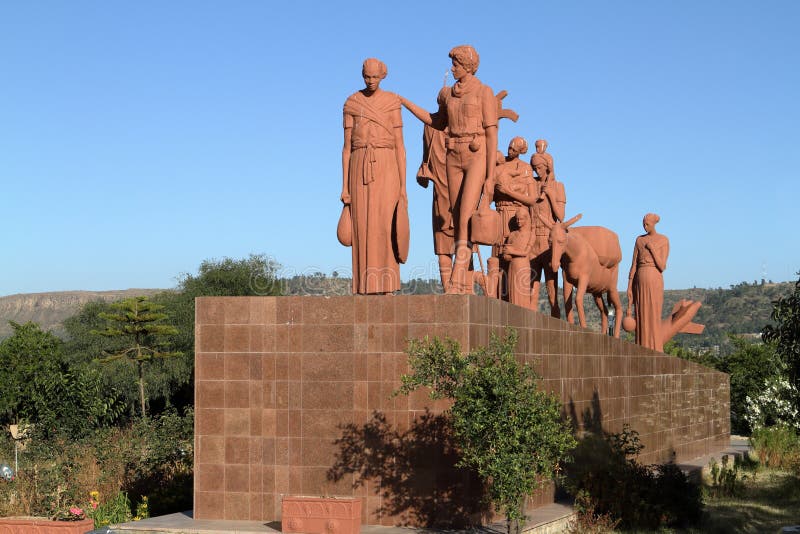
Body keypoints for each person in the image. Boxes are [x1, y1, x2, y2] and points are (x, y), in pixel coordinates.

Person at [400, 45, 498, 293]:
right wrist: (405, 103)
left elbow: (492, 132)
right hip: (453, 155)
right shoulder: (448, 95)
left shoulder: (484, 92)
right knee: (456, 215)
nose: (452, 68)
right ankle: (460, 279)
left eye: (456, 64)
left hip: (476, 155)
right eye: (453, 63)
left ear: (467, 65)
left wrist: (491, 175)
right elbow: (436, 121)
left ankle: (457, 273)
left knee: (466, 213)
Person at [340, 58, 407, 294]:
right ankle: (362, 287)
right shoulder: (352, 102)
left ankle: (388, 285)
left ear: (383, 76)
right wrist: (345, 186)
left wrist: (403, 187)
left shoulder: (391, 103)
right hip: (359, 165)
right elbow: (347, 148)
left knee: (385, 222)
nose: (370, 81)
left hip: (387, 164)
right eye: (367, 77)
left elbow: (400, 145)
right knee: (362, 224)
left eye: (375, 77)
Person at [483, 137, 536, 302]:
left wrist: (508, 191)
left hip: (516, 215)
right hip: (499, 214)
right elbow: (488, 193)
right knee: (497, 257)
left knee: (512, 256)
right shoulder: (498, 165)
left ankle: (513, 300)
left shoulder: (526, 168)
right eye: (509, 148)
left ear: (520, 151)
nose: (510, 151)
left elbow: (532, 199)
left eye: (514, 149)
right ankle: (496, 297)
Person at [416, 90, 453, 289]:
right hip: (442, 188)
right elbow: (426, 156)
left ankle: (458, 286)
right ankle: (450, 287)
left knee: (460, 240)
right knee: (444, 243)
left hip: (457, 189)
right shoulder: (431, 126)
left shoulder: (457, 125)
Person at [626, 213, 670, 351]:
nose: (645, 226)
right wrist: (629, 286)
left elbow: (662, 266)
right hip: (640, 279)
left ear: (654, 224)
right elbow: (633, 265)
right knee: (641, 314)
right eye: (643, 224)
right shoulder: (639, 240)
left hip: (654, 279)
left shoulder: (663, 240)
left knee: (653, 313)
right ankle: (642, 346)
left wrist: (653, 249)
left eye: (647, 224)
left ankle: (655, 347)